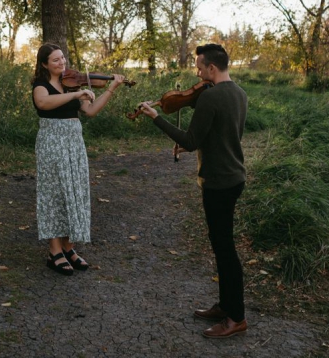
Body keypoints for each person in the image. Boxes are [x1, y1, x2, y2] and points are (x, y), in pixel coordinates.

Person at [138, 43, 248, 338]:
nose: (197, 73)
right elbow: (222, 134)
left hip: (219, 181)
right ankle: (226, 306)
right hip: (234, 176)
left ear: (212, 67)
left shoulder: (210, 97)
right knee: (222, 245)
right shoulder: (239, 93)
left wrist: (155, 117)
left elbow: (190, 140)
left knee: (224, 250)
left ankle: (236, 318)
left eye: (200, 67)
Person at [32, 43, 125, 276]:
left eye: (62, 58)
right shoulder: (41, 86)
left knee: (74, 191)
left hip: (74, 143)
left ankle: (68, 247)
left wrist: (111, 87)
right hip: (52, 143)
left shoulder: (71, 82)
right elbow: (43, 103)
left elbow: (91, 110)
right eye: (55, 60)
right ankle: (54, 252)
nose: (61, 63)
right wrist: (76, 94)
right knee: (54, 193)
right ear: (44, 64)